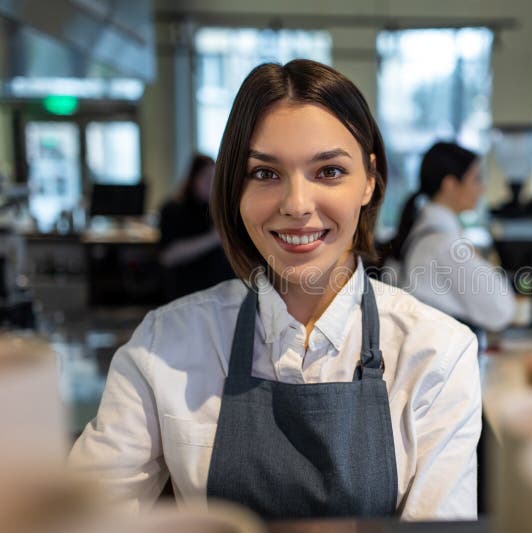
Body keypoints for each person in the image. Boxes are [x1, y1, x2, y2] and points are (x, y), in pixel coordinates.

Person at [69, 60, 481, 522]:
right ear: (234, 188)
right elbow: (80, 518)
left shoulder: (437, 354)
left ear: (369, 179)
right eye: (265, 174)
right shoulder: (167, 343)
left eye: (328, 171)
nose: (297, 205)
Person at [385, 142, 515, 336]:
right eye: (476, 179)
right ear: (450, 184)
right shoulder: (445, 245)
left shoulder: (422, 231)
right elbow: (502, 311)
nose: (482, 189)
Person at [158, 154, 234, 300]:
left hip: (220, 291)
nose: (211, 184)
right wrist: (214, 238)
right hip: (189, 291)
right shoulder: (173, 209)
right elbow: (168, 256)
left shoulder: (216, 208)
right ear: (192, 179)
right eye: (206, 178)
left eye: (214, 179)